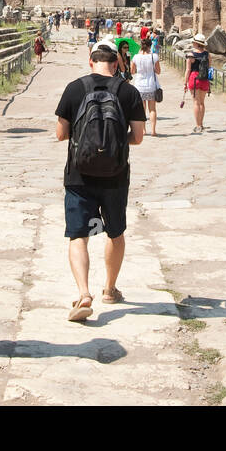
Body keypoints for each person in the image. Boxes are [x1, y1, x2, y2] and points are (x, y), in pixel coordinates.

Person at [55, 38, 146, 321]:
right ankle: (109, 289)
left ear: (90, 62)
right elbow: (139, 138)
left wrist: (87, 143)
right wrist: (114, 143)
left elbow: (60, 134)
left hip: (79, 174)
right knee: (115, 233)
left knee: (78, 235)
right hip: (116, 175)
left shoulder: (75, 88)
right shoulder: (128, 92)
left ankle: (83, 294)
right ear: (117, 64)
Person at [131, 41, 162, 137]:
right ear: (150, 46)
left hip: (139, 85)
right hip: (151, 84)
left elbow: (132, 71)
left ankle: (144, 130)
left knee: (142, 109)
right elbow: (158, 71)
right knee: (152, 109)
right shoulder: (154, 56)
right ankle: (153, 130)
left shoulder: (136, 57)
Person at [185, 32, 211, 133]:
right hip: (204, 78)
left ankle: (198, 125)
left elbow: (188, 70)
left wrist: (185, 82)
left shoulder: (191, 55)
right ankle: (202, 124)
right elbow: (209, 67)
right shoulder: (207, 54)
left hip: (194, 77)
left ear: (196, 43)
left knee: (196, 102)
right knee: (202, 102)